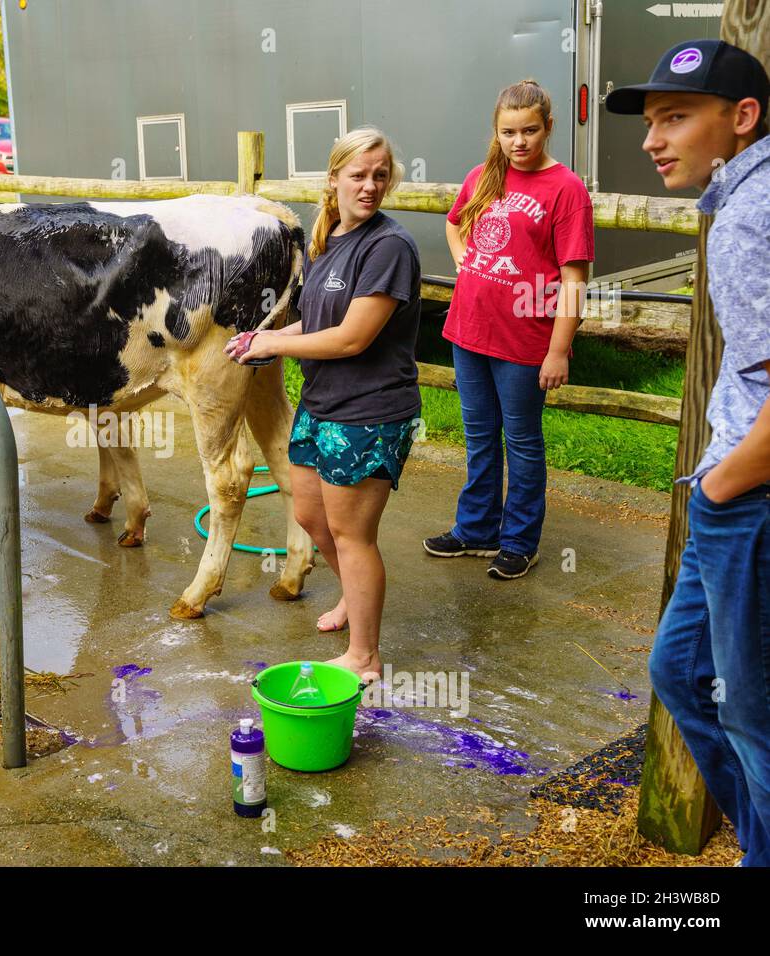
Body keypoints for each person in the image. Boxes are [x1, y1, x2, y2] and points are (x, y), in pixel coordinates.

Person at [607, 38, 770, 866]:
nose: (651, 139)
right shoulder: (741, 200)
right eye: (651, 121)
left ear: (741, 119)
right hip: (733, 495)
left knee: (751, 712)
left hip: (749, 501)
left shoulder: (750, 217)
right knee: (681, 675)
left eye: (675, 117)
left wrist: (720, 489)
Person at [227, 127, 421, 681]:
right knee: (312, 518)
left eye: (380, 175)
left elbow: (352, 338)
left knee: (354, 535)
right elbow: (321, 321)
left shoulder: (390, 247)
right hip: (322, 403)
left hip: (370, 412)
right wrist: (263, 335)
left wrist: (275, 344)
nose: (371, 186)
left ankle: (365, 655)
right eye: (358, 175)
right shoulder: (329, 237)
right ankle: (351, 602)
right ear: (333, 179)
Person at [422, 80, 593, 580]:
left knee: (520, 439)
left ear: (548, 128)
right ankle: (476, 529)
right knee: (478, 436)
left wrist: (559, 349)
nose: (519, 142)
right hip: (468, 330)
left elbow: (575, 279)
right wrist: (464, 261)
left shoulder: (567, 189)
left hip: (524, 341)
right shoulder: (483, 176)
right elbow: (455, 224)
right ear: (496, 132)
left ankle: (519, 540)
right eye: (508, 132)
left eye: (529, 131)